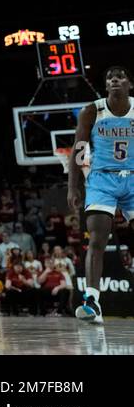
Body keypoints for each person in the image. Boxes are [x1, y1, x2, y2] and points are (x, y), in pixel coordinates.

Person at [70, 66, 134, 324]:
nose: (115, 80)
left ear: (129, 83)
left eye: (120, 76)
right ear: (106, 86)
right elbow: (79, 148)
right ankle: (92, 300)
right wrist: (73, 186)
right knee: (97, 238)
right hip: (101, 179)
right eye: (110, 77)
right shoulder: (92, 111)